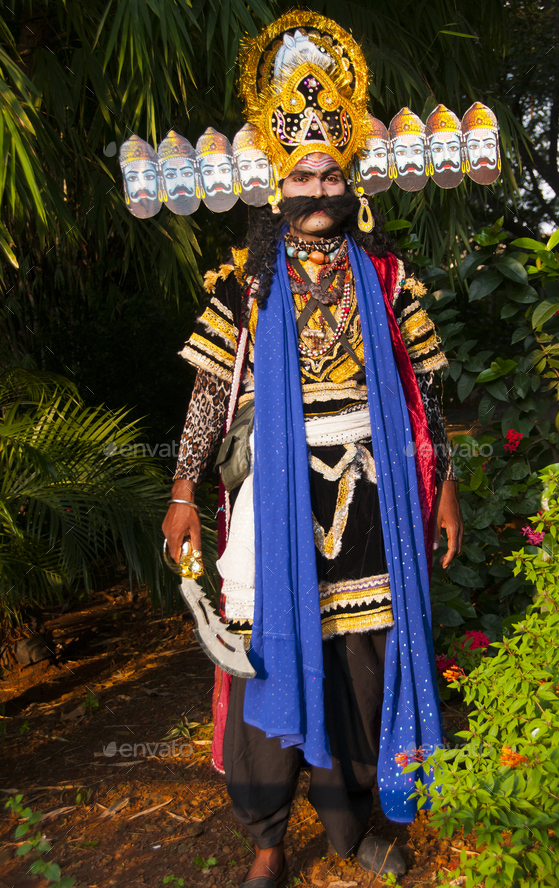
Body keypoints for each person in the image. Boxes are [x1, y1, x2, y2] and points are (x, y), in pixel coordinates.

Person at [162, 148, 463, 886]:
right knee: (266, 655)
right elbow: (208, 394)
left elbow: (425, 391)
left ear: (350, 185)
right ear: (276, 189)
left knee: (361, 663)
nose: (318, 192)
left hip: (374, 494)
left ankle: (347, 826)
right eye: (303, 178)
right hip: (276, 501)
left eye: (331, 177)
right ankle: (267, 839)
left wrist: (445, 484)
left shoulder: (388, 280)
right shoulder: (245, 284)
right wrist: (181, 491)